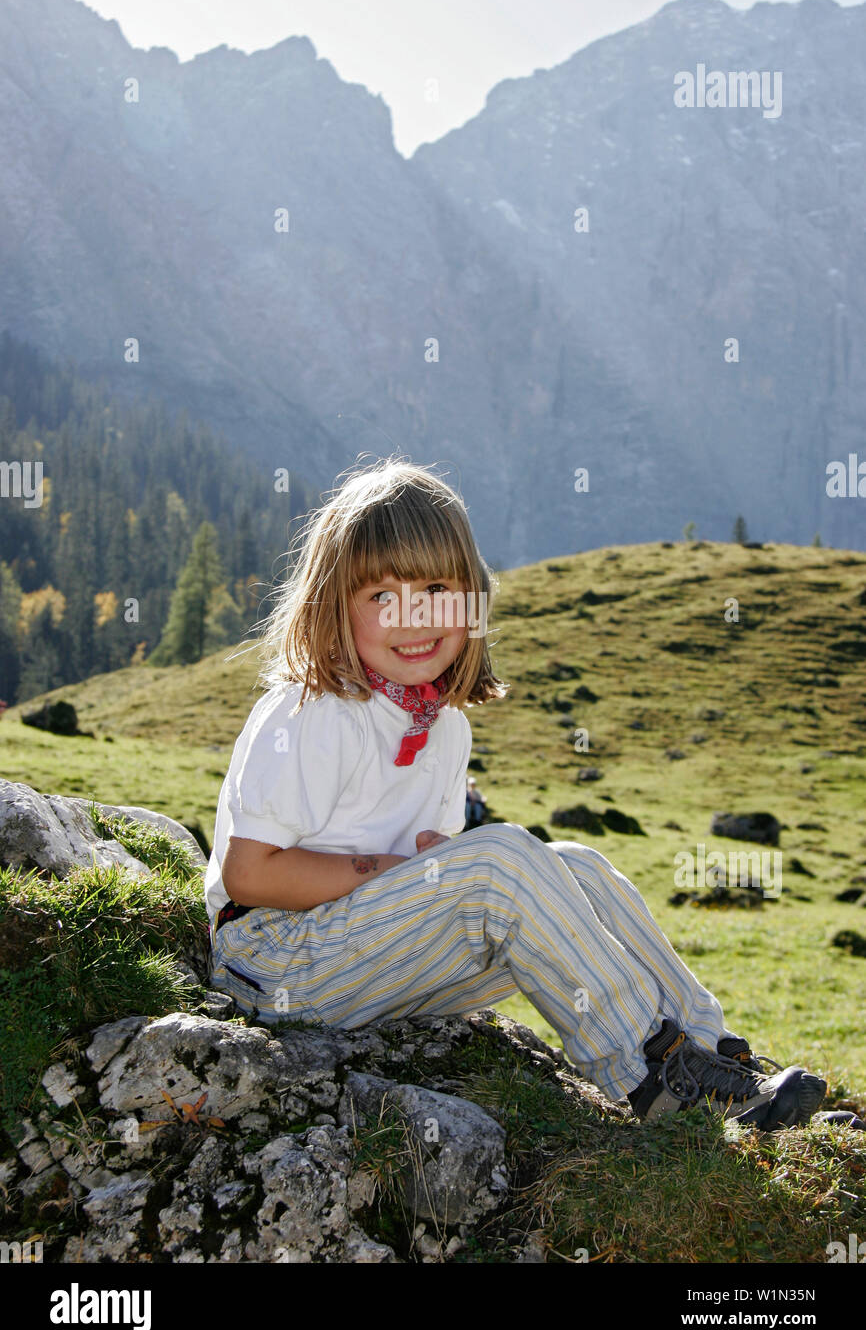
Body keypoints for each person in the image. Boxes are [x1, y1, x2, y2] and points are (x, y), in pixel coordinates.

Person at [204, 457, 827, 1129]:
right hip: (272, 965)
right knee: (502, 862)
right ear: (335, 605)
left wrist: (439, 875)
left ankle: (725, 1068)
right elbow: (249, 874)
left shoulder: (443, 727)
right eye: (382, 596)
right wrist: (389, 875)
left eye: (437, 588)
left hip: (366, 961)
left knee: (577, 867)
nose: (413, 616)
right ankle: (648, 1079)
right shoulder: (312, 711)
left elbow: (431, 867)